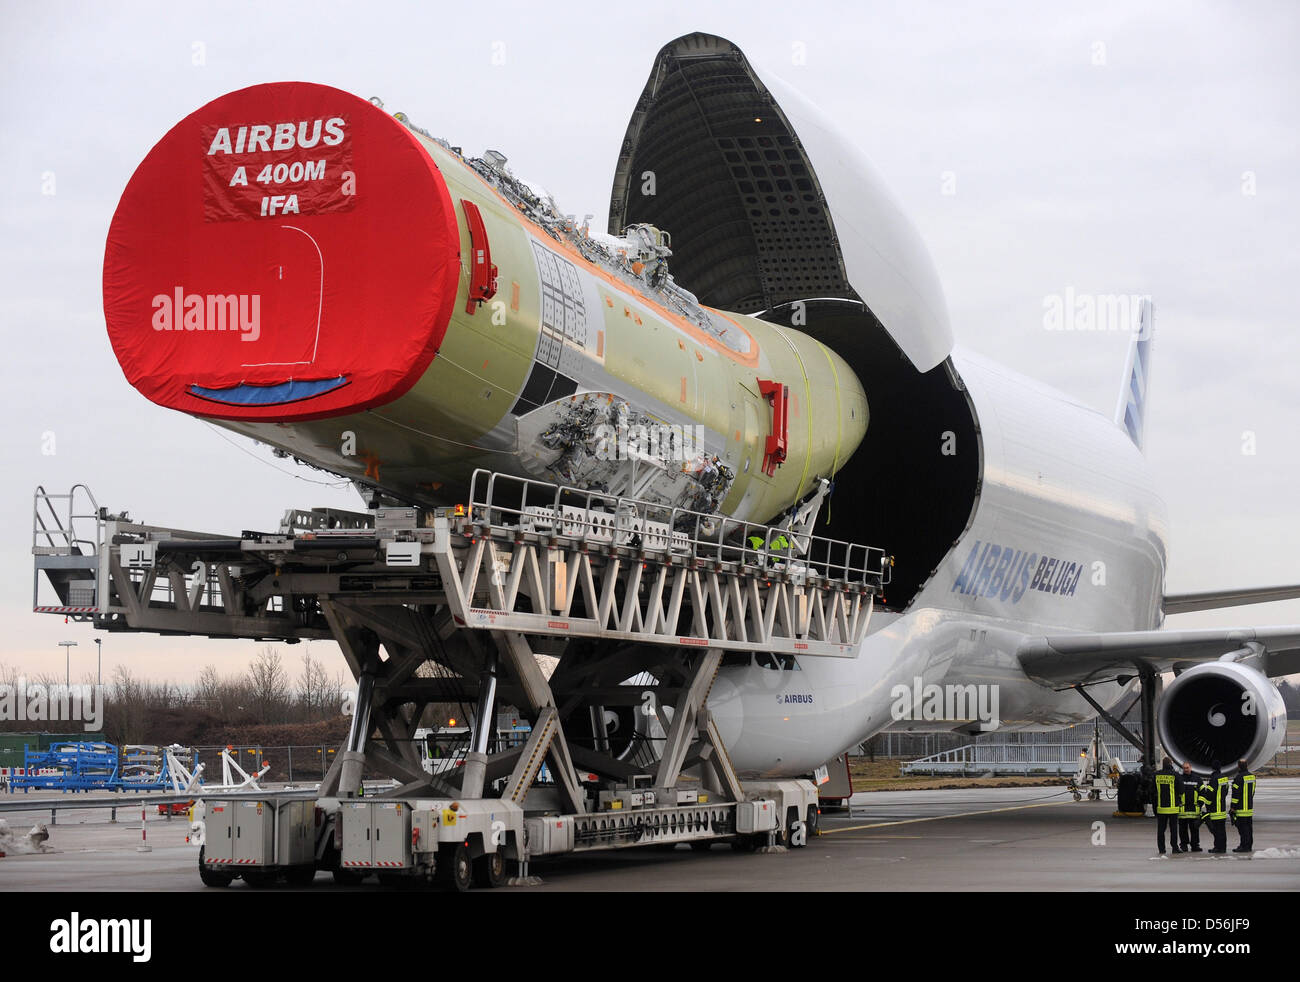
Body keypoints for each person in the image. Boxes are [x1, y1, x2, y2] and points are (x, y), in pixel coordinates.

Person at [1153, 756, 1181, 855]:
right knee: (1173, 830)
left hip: (1161, 808)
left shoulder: (1157, 775)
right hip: (1173, 808)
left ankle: (1161, 849)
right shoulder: (1175, 775)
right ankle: (1174, 848)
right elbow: (1181, 790)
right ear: (1171, 764)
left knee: (1161, 830)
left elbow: (1152, 791)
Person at [1203, 765, 1231, 854]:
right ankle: (1223, 847)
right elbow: (1226, 791)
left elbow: (1209, 795)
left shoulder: (1213, 779)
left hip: (1215, 810)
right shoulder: (1224, 778)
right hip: (1222, 809)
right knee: (1222, 830)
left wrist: (1207, 806)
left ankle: (1217, 847)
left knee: (1216, 831)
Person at [1177, 761, 1203, 853]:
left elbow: (1203, 792)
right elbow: (1176, 793)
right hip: (1183, 810)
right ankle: (1184, 845)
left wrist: (1200, 803)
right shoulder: (1179, 779)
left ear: (1191, 768)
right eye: (1184, 768)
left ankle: (1195, 845)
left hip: (1194, 810)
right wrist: (1178, 802)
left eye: (1187, 768)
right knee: (1183, 830)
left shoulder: (1197, 779)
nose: (1186, 770)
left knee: (1194, 829)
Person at [1231, 758, 1255, 853]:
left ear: (1238, 766)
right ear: (1247, 766)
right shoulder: (1252, 777)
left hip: (1241, 809)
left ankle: (1243, 846)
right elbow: (1252, 792)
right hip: (1249, 808)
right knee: (1249, 829)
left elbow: (1235, 795)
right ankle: (1249, 846)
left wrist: (1233, 807)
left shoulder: (1238, 778)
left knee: (1243, 829)